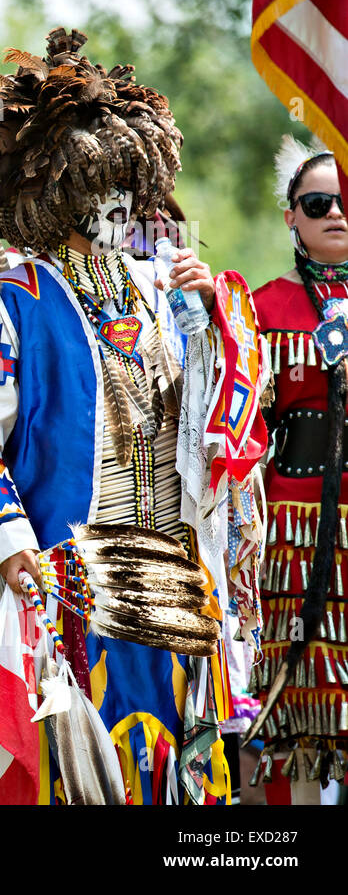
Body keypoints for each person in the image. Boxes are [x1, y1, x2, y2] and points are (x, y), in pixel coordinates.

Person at [0, 29, 267, 804]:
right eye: (96, 184)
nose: (116, 203)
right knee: (74, 779)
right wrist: (17, 555)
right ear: (58, 192)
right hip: (74, 587)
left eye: (126, 184)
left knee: (178, 778)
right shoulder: (23, 303)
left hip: (179, 582)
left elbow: (224, 432)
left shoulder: (166, 292)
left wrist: (213, 320)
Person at [250, 137, 348, 804]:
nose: (336, 213)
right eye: (318, 203)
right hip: (292, 524)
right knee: (295, 707)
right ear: (291, 216)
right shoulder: (261, 307)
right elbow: (241, 430)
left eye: (345, 202)